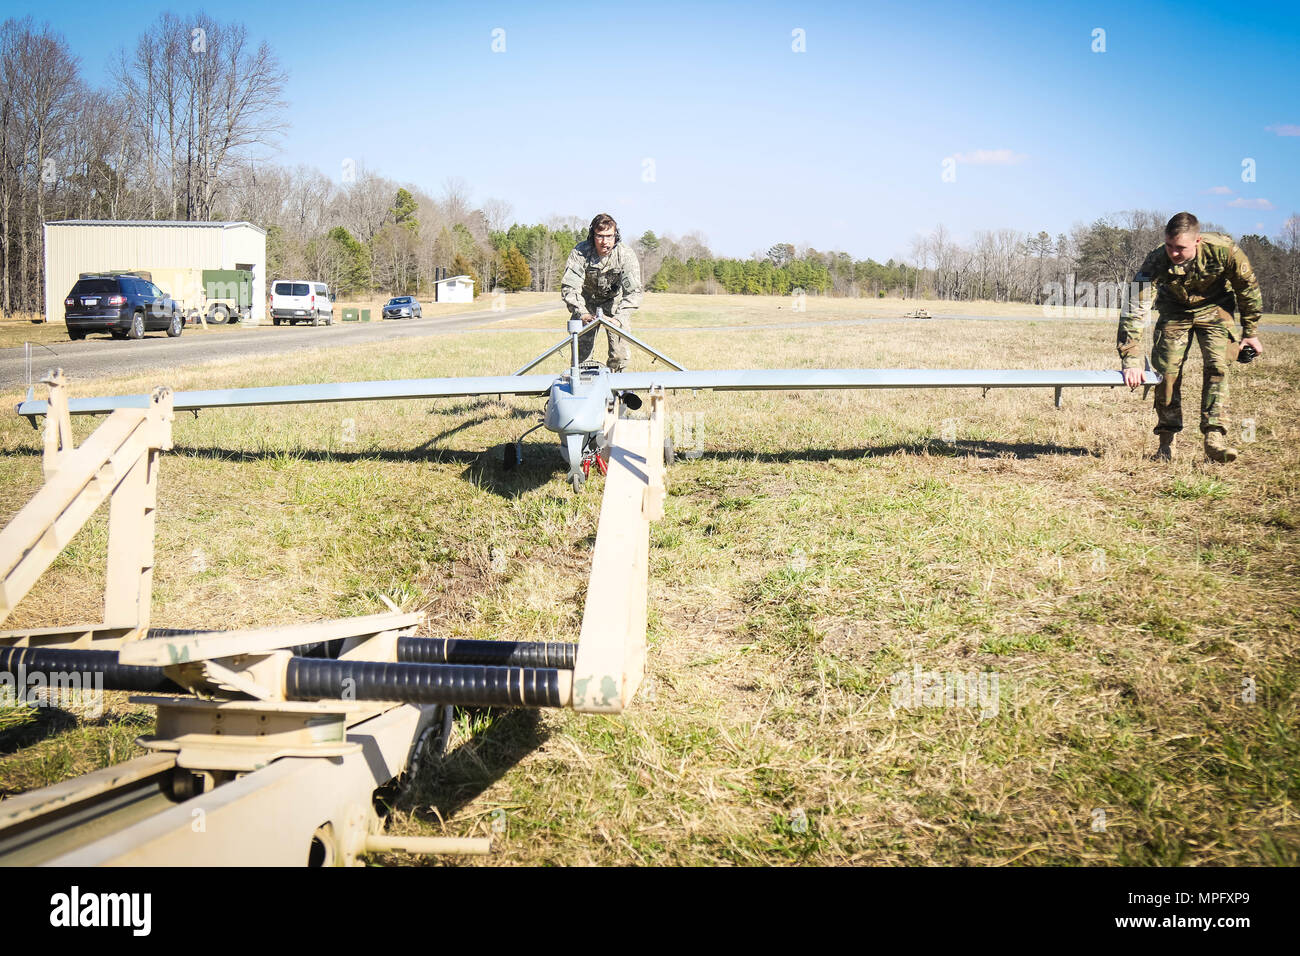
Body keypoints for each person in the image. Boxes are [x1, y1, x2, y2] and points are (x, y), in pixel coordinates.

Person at [1117, 212, 1264, 462]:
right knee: (1166, 373)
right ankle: (1166, 442)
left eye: (1181, 248)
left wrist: (1250, 333)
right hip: (1175, 310)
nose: (1174, 253)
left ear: (1197, 242)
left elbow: (1247, 290)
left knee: (1218, 366)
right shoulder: (1156, 260)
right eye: (1169, 246)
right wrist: (1131, 359)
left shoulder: (1224, 250)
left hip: (1215, 307)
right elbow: (1134, 308)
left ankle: (1214, 437)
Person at [560, 213, 642, 372]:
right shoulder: (580, 252)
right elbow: (569, 288)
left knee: (619, 355)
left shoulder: (625, 254)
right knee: (580, 358)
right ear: (592, 236)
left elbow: (634, 293)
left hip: (614, 304)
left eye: (609, 236)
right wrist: (582, 314)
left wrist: (619, 319)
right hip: (586, 304)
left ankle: (618, 389)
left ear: (616, 236)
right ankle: (584, 388)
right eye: (600, 236)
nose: (605, 242)